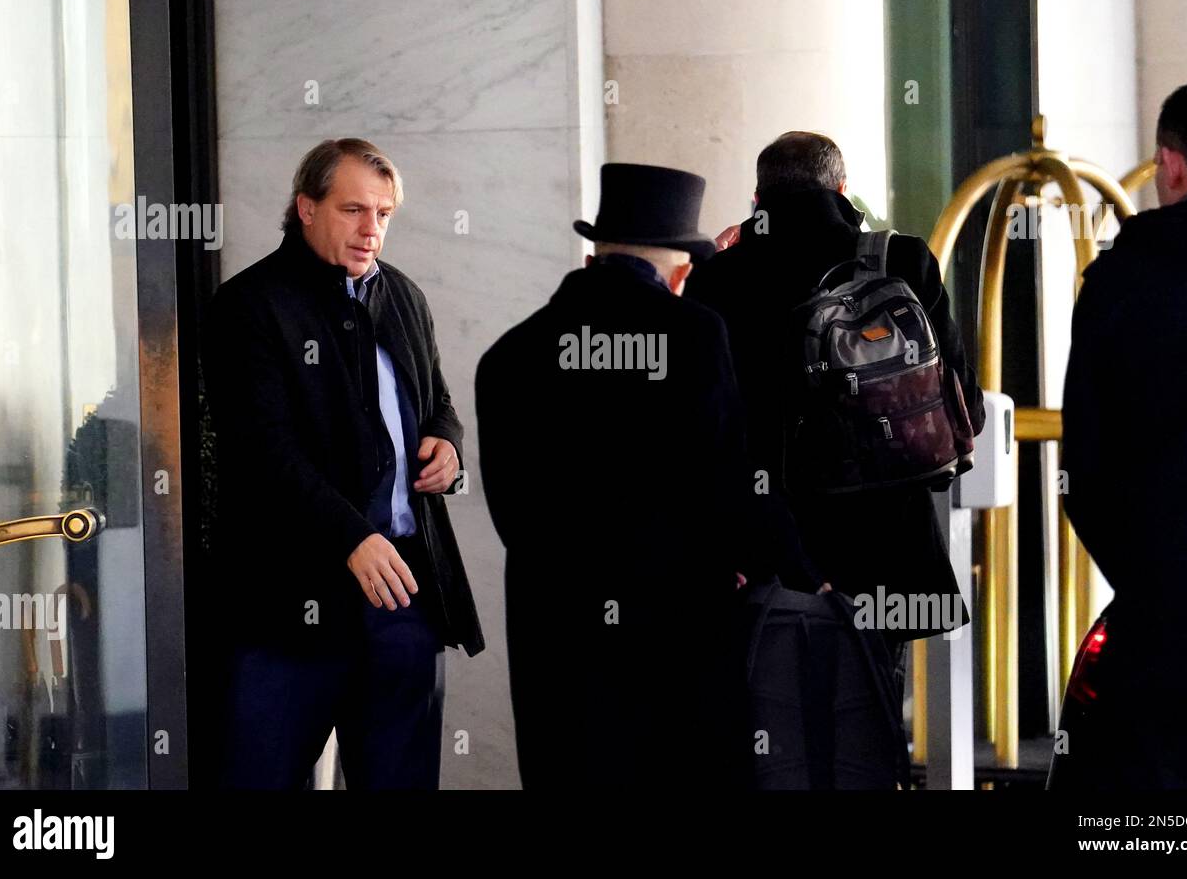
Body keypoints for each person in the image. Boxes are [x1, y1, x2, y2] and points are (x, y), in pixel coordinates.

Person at [476, 163, 774, 788]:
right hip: (678, 633)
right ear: (682, 275)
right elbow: (728, 482)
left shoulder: (507, 355)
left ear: (590, 262)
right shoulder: (695, 333)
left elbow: (513, 517)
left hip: (554, 638)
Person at [205, 138, 483, 789]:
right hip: (285, 605)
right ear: (306, 207)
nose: (372, 229)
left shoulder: (405, 296)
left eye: (384, 213)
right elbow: (262, 451)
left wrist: (447, 442)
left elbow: (437, 397)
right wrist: (349, 536)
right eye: (354, 209)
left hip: (401, 597)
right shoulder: (248, 306)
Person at [686, 131, 984, 697]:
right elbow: (962, 401)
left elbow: (701, 429)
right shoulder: (901, 259)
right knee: (865, 726)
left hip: (764, 549)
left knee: (770, 728)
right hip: (884, 544)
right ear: (843, 189)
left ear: (757, 197)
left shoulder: (720, 277)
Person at [1062, 75, 1187, 788]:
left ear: (1170, 164)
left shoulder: (1121, 283)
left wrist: (1162, 586)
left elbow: (1084, 475)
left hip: (1165, 648)